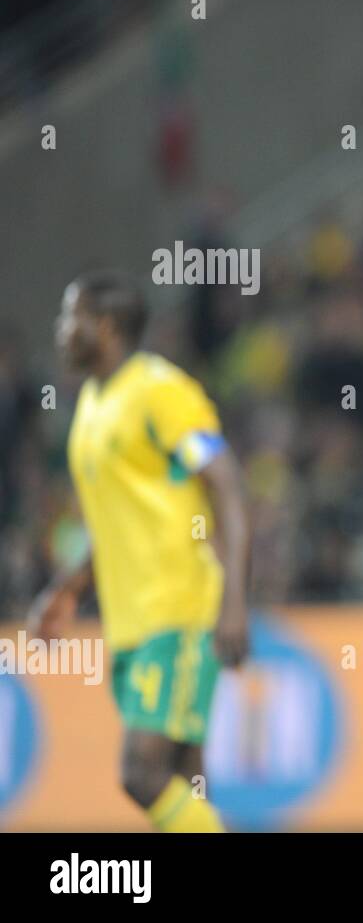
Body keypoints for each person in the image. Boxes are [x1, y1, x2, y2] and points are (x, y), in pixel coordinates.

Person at [29, 271, 250, 832]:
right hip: (130, 622)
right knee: (184, 780)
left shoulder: (159, 389)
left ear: (104, 326)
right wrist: (68, 590)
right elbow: (113, 525)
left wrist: (235, 600)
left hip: (177, 609)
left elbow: (225, 482)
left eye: (68, 316)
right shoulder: (89, 408)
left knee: (139, 772)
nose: (59, 331)